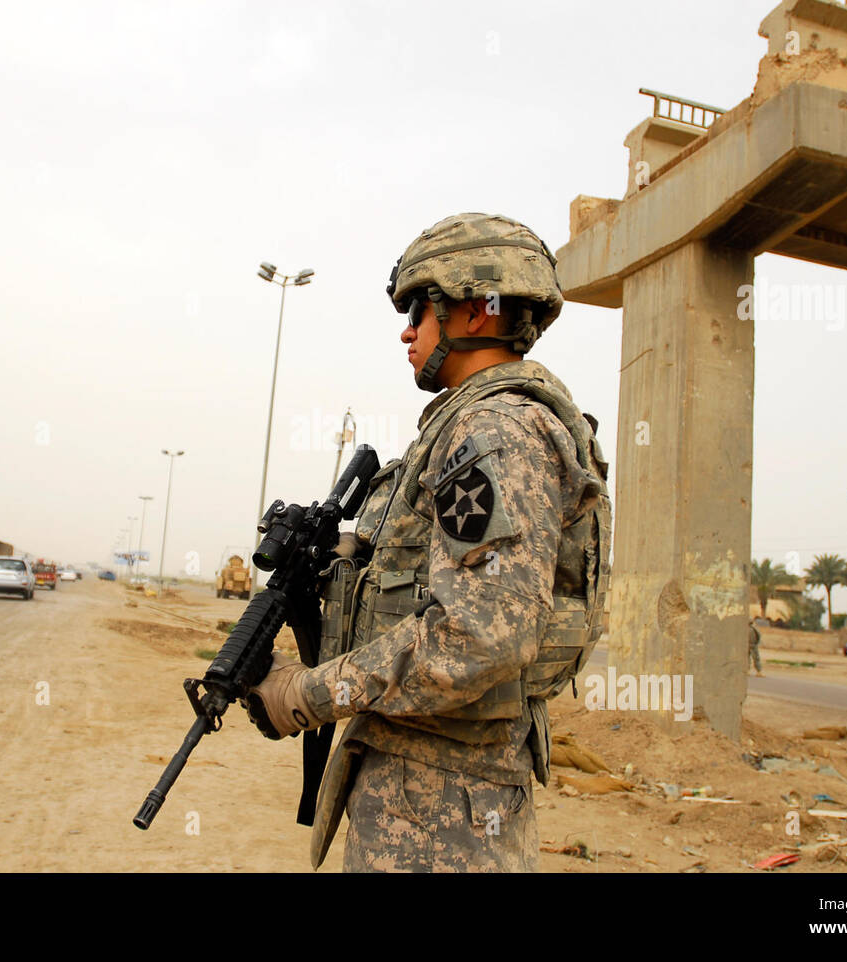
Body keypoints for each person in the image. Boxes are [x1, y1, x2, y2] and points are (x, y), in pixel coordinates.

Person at [243, 213, 612, 872]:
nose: (408, 329)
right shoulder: (470, 429)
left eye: (421, 307)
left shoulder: (493, 435)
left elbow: (479, 638)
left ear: (475, 312)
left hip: (445, 817)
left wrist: (310, 695)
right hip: (430, 797)